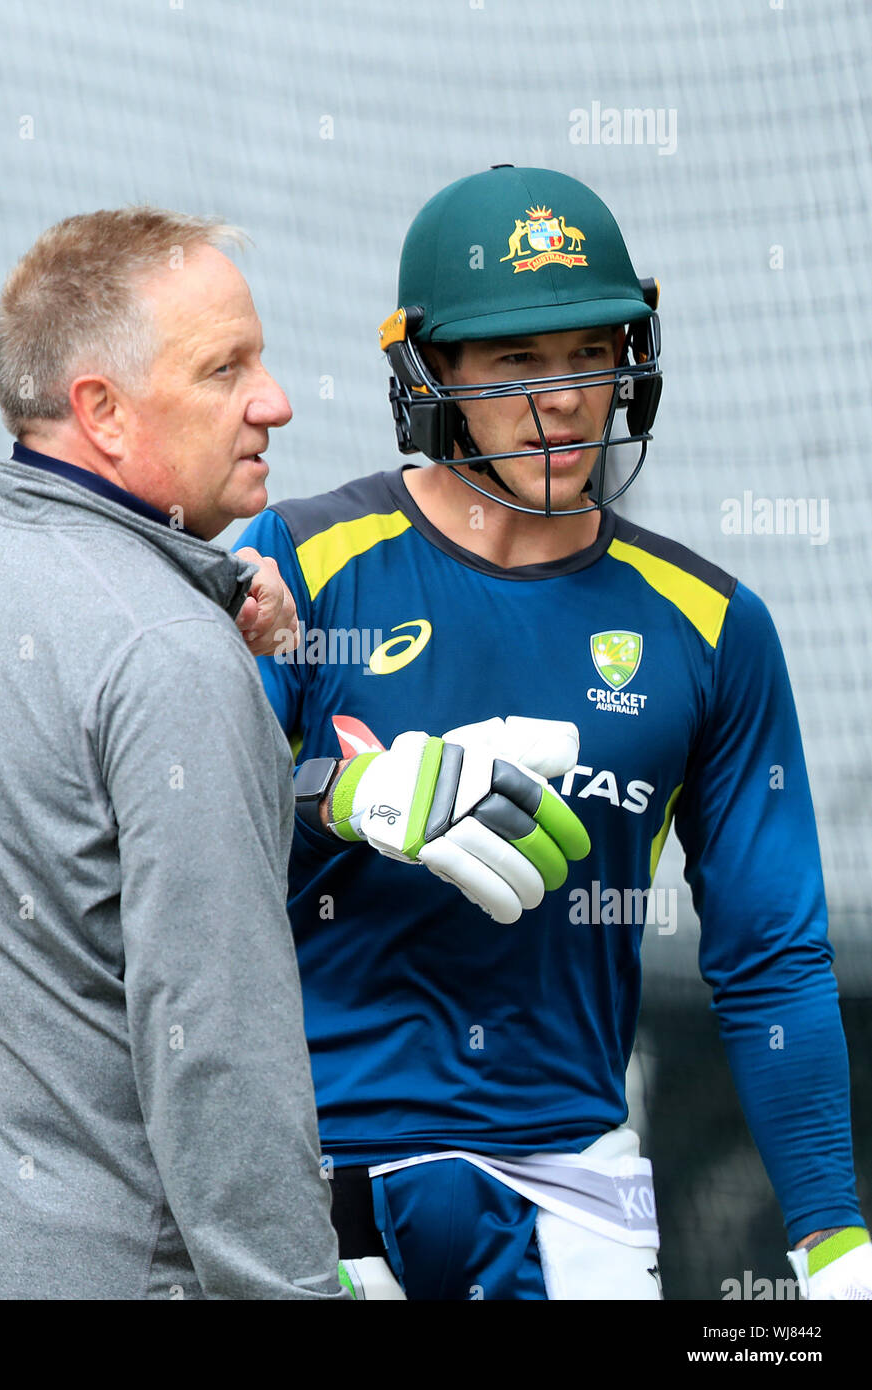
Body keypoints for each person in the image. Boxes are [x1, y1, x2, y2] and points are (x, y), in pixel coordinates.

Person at [236, 166, 870, 1300]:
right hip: (311, 1177)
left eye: (590, 350)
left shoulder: (714, 628)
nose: (564, 398)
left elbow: (771, 955)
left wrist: (831, 1237)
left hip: (574, 1197)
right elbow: (177, 844)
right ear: (433, 371)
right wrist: (339, 796)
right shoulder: (300, 562)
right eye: (516, 361)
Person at [0, 205, 349, 1300]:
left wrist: (198, 590)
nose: (274, 400)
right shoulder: (171, 657)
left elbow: (39, 853)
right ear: (100, 410)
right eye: (224, 368)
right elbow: (219, 1058)